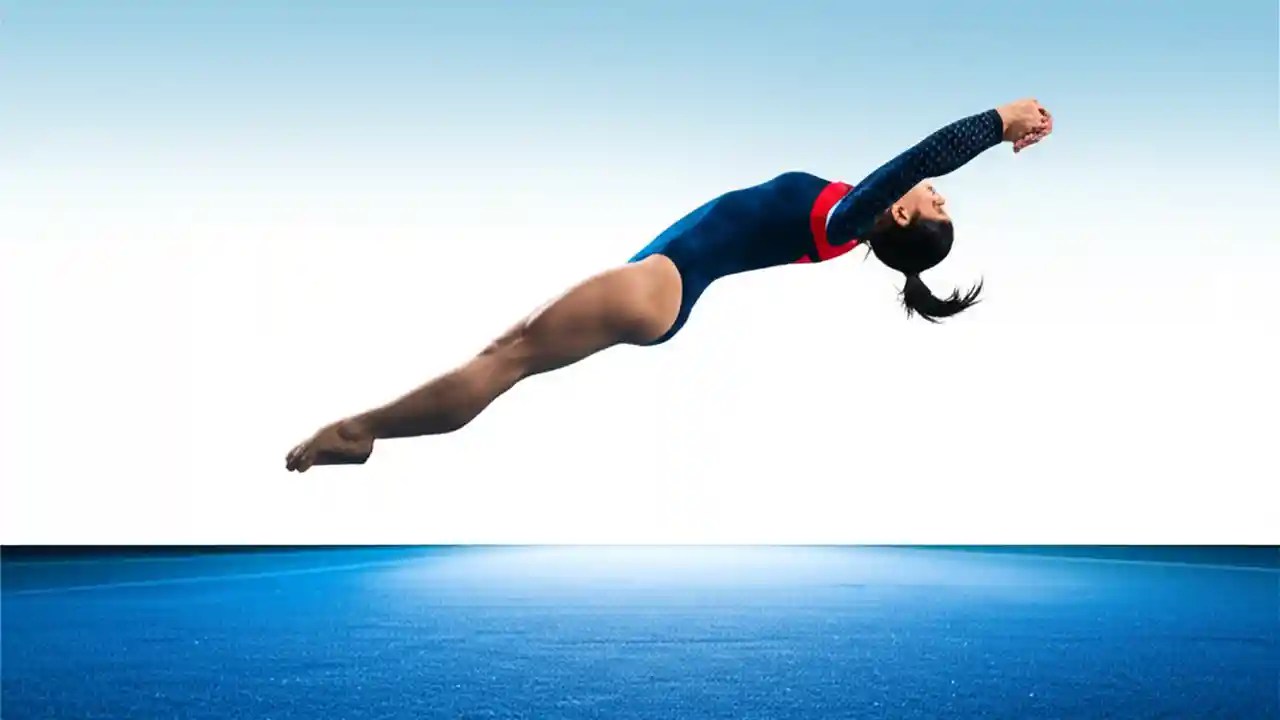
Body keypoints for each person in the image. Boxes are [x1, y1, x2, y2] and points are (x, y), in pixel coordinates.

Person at [285, 97, 1054, 472]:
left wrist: (997, 118)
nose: (937, 193)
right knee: (509, 356)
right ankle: (367, 433)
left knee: (506, 356)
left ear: (897, 216)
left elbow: (921, 155)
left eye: (938, 203)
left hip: (662, 285)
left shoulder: (848, 220)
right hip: (663, 291)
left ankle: (361, 432)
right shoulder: (843, 220)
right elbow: (908, 167)